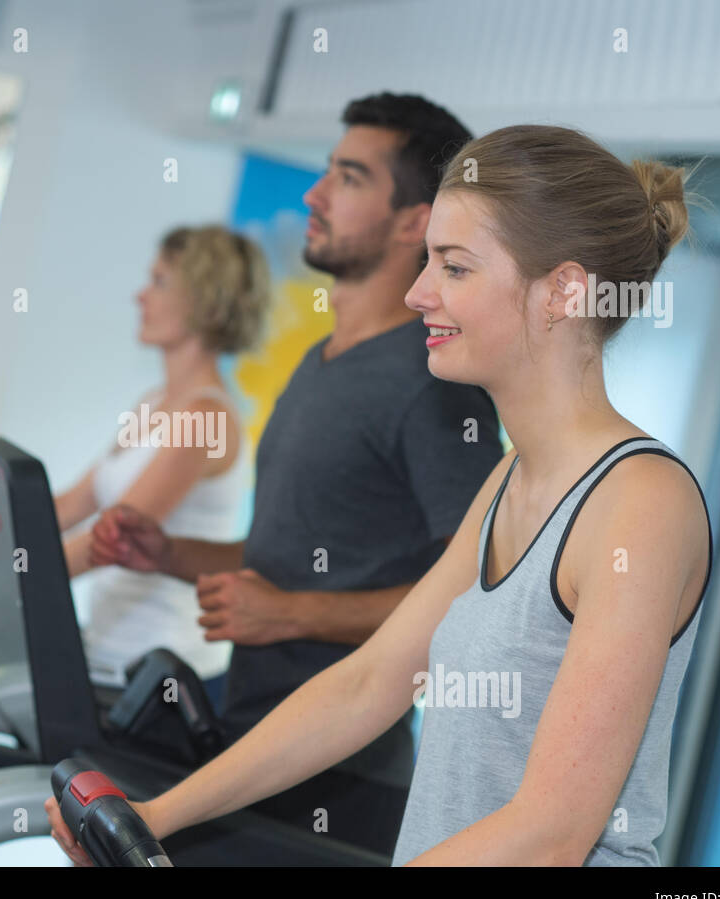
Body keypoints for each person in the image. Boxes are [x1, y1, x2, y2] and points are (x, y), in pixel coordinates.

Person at [51, 124, 714, 866]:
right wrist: (155, 815)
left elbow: (552, 833)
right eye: (427, 259)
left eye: (454, 268)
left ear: (562, 290)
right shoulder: (507, 481)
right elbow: (369, 683)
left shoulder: (641, 504)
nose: (416, 292)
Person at [83, 92, 503, 855]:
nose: (314, 194)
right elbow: (287, 560)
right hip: (254, 735)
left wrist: (295, 615)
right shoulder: (322, 362)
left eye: (347, 178)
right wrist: (169, 556)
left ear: (417, 221)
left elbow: (475, 599)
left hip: (344, 779)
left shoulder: (437, 387)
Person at [0, 225, 270, 694]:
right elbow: (70, 506)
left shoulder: (206, 418)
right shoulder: (155, 402)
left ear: (205, 302)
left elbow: (111, 535)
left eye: (159, 282)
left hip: (158, 671)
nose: (140, 296)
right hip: (106, 648)